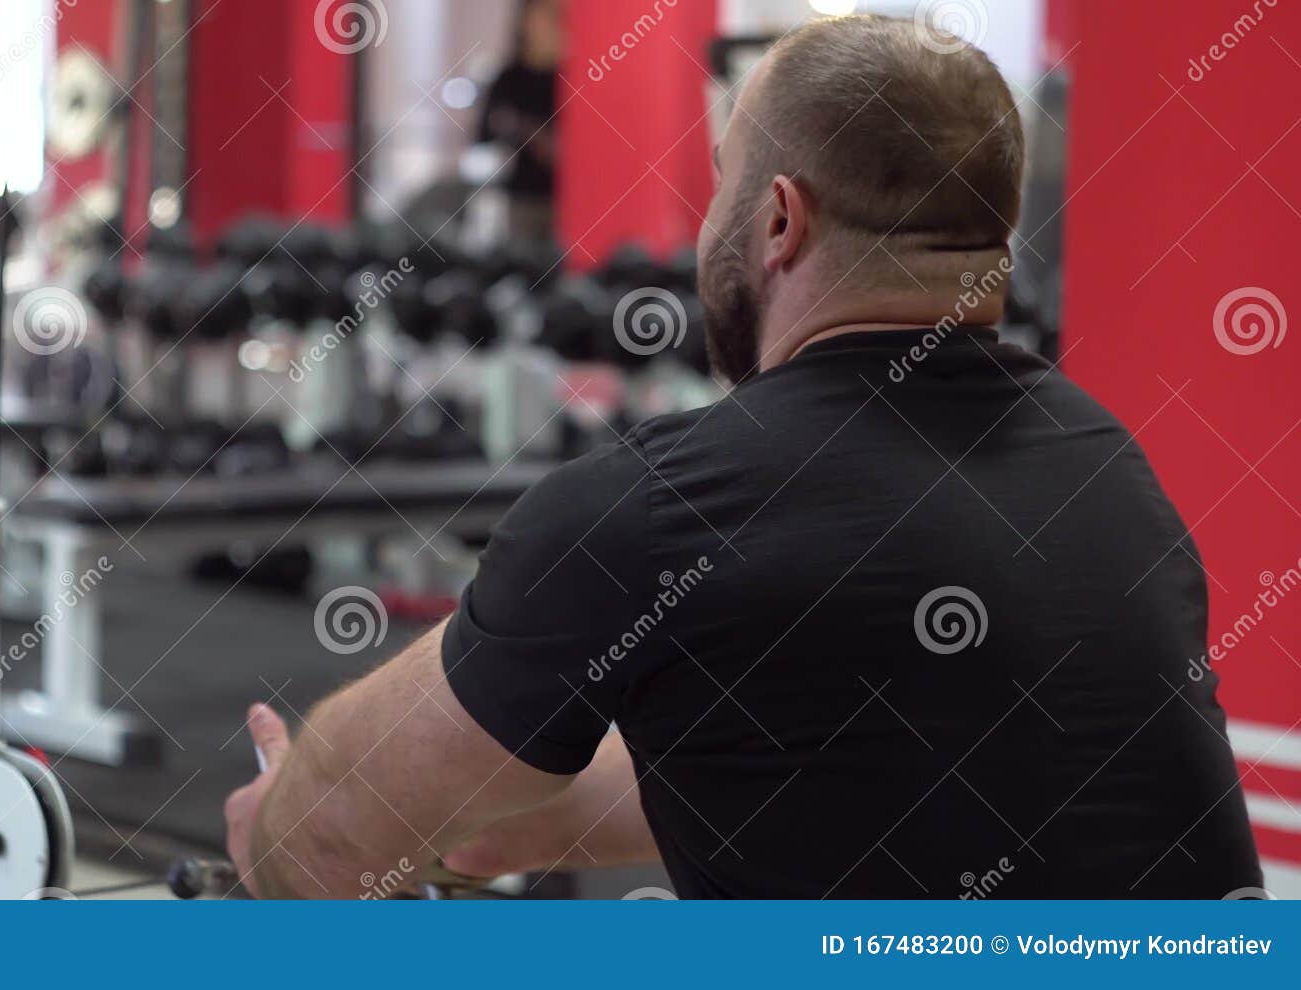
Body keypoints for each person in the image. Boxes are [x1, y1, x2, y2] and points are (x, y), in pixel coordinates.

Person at [222, 15, 1263, 899]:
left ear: (777, 218)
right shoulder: (1103, 466)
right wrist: (516, 820)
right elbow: (839, 748)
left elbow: (328, 843)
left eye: (723, 179)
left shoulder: (656, 508)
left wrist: (276, 827)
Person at [476, 0, 561, 242]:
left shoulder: (570, 77)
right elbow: (483, 134)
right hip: (523, 197)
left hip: (566, 197)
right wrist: (520, 129)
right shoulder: (508, 79)